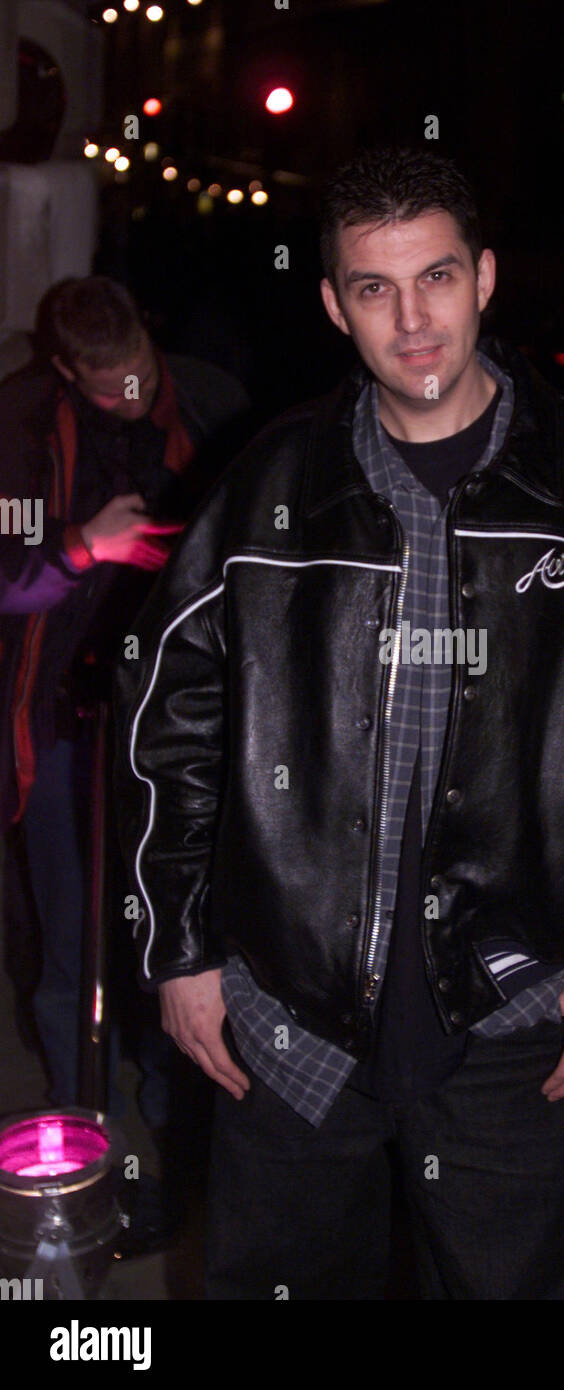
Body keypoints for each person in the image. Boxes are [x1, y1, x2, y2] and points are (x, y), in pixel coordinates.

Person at [112, 146, 564, 1300]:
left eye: (436, 277)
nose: (413, 321)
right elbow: (167, 717)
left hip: (511, 1014)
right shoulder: (272, 480)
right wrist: (178, 946)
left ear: (485, 277)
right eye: (376, 289)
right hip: (289, 1015)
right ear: (333, 303)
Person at [0, 275, 251, 1120]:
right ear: (67, 372)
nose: (132, 396)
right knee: (71, 943)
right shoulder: (23, 417)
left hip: (181, 730)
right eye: (111, 387)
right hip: (63, 729)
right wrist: (83, 547)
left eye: (139, 372)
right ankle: (83, 1131)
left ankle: (170, 1127)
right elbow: (5, 572)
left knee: (170, 937)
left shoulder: (211, 402)